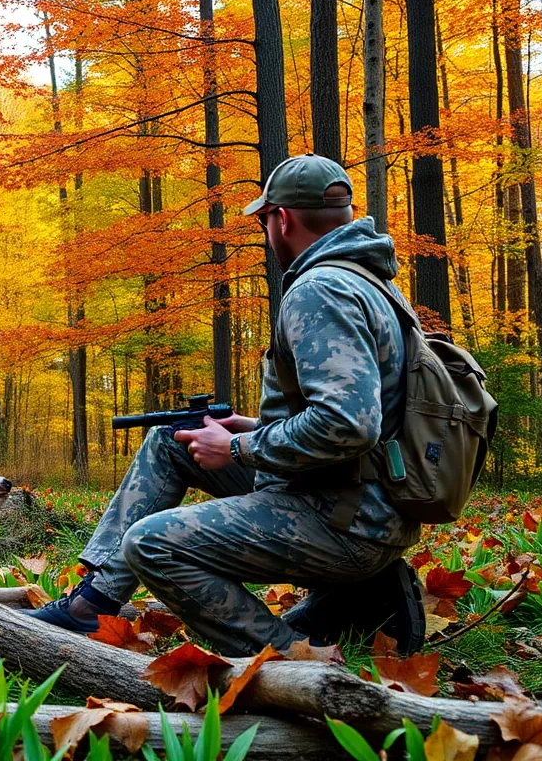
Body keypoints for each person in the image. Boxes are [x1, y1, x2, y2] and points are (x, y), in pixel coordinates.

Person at [27, 154, 426, 657]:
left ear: (281, 219)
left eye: (264, 220)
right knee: (171, 443)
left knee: (151, 543)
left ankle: (294, 658)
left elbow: (349, 425)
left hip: (349, 519)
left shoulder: (321, 289)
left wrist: (238, 447)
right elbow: (369, 418)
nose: (265, 231)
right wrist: (253, 427)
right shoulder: (373, 282)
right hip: (360, 497)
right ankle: (92, 606)